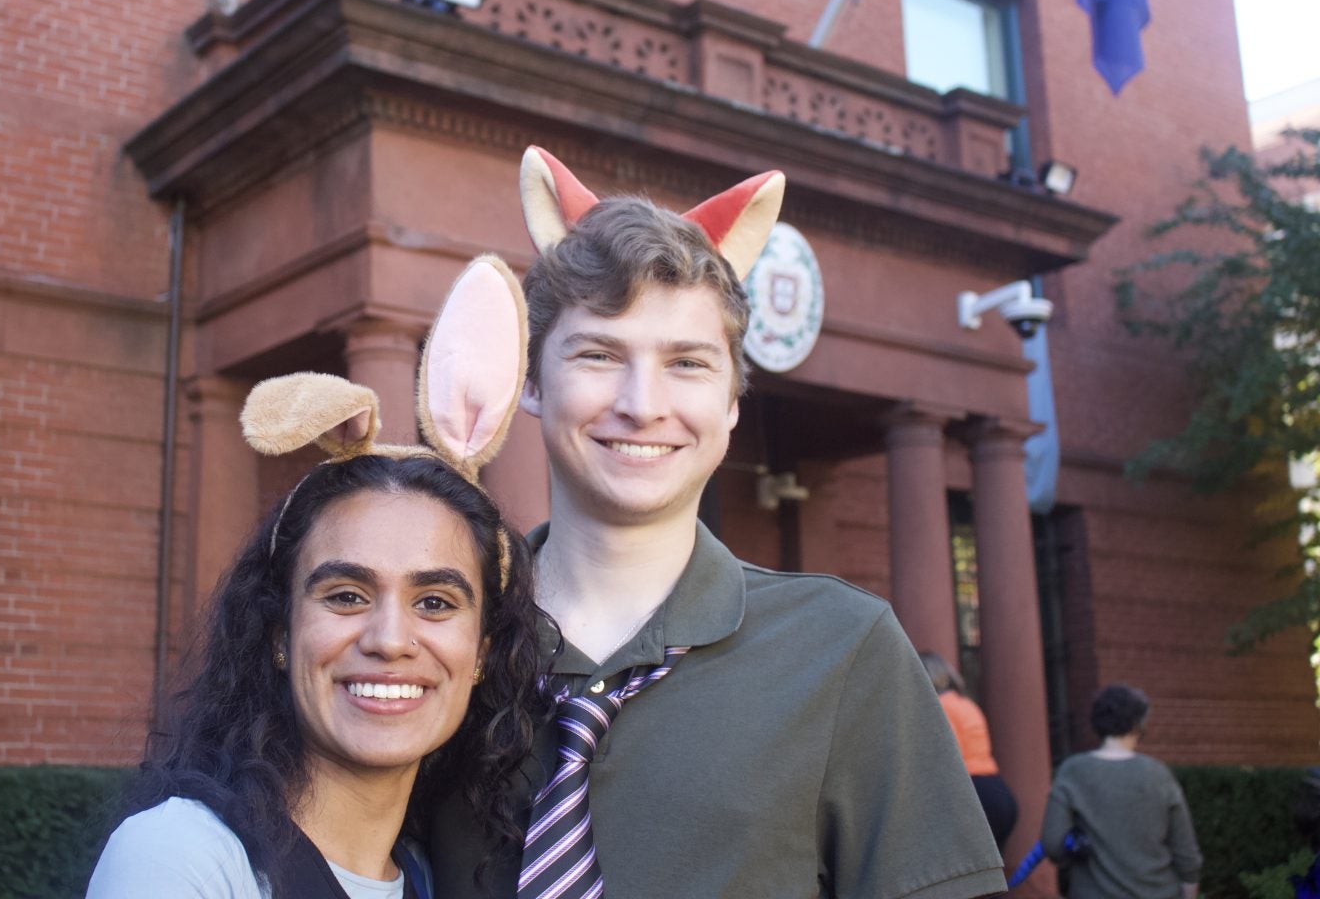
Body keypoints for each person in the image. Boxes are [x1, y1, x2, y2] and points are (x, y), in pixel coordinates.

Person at [427, 147, 1007, 898]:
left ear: (733, 402)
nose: (642, 402)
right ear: (531, 381)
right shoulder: (440, 640)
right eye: (600, 354)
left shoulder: (844, 649)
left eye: (688, 364)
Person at [89, 257, 547, 899]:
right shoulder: (184, 858)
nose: (391, 639)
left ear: (482, 655)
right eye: (347, 595)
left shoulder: (430, 876)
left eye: (436, 601)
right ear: (279, 632)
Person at [1042, 683, 1202, 899]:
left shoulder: (1073, 771)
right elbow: (1186, 853)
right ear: (1138, 724)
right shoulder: (1158, 774)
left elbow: (1052, 844)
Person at [921, 651, 1019, 850]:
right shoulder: (965, 704)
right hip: (997, 791)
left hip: (973, 795)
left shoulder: (939, 707)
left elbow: (946, 760)